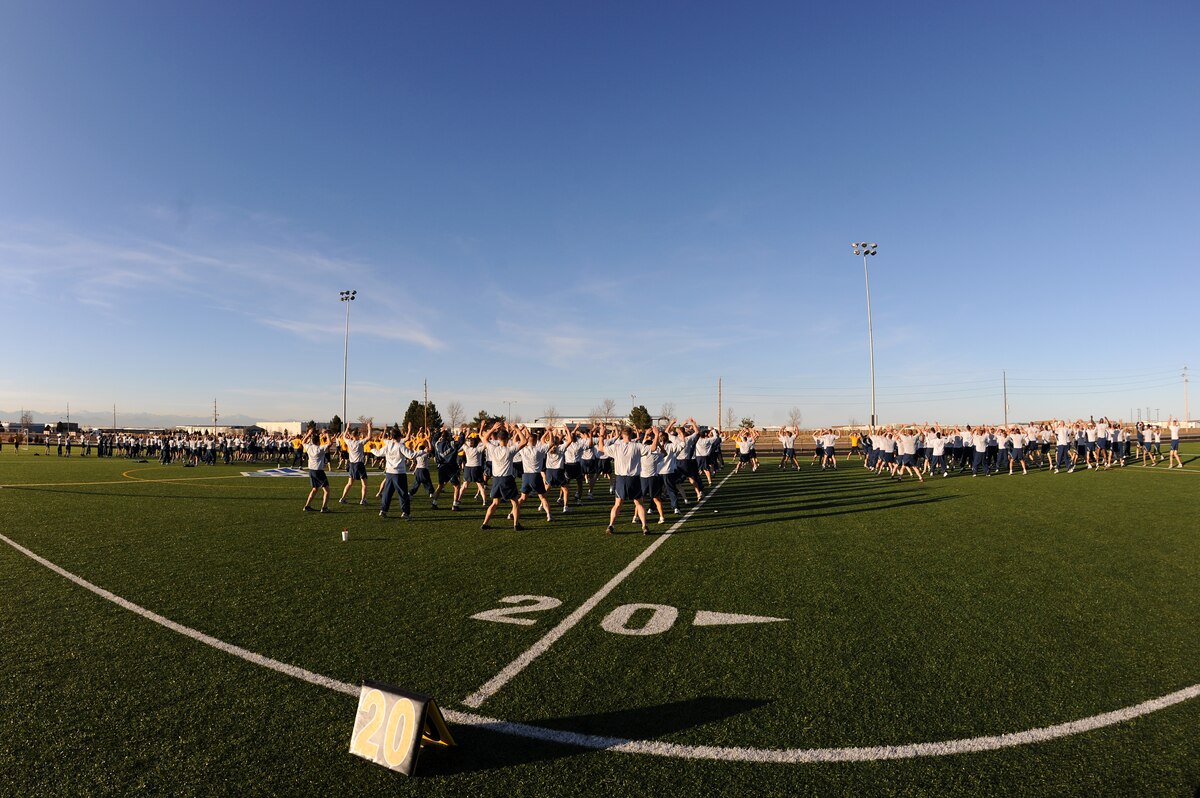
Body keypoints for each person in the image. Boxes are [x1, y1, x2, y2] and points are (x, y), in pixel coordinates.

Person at [598, 424, 650, 535]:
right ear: (632, 434)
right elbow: (653, 448)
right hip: (634, 479)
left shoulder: (617, 446)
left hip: (621, 479)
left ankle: (611, 525)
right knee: (639, 503)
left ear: (622, 435)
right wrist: (656, 435)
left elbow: (601, 448)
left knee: (617, 504)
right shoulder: (637, 446)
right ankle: (644, 526)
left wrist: (601, 436)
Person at [480, 421, 524, 530]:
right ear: (508, 438)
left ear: (498, 439)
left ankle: (485, 523)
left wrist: (493, 429)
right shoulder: (510, 450)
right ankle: (516, 525)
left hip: (496, 479)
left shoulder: (493, 449)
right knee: (515, 502)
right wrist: (517, 429)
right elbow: (524, 441)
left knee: (495, 503)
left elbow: (484, 439)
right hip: (507, 479)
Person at [371, 426, 419, 519]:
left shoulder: (388, 444)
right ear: (399, 436)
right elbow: (411, 455)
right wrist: (422, 451)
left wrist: (372, 449)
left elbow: (378, 453)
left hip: (389, 473)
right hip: (399, 473)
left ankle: (383, 510)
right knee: (403, 494)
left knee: (387, 493)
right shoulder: (400, 445)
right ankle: (405, 512)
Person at [301, 426, 338, 513]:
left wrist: (308, 434)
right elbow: (330, 443)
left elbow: (303, 441)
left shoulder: (309, 447)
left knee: (315, 489)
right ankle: (324, 508)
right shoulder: (320, 449)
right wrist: (327, 434)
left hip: (311, 471)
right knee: (327, 490)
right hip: (318, 471)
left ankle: (307, 506)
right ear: (318, 441)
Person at [338, 418, 372, 505]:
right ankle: (363, 499)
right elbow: (369, 437)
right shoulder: (360, 443)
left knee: (349, 483)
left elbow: (344, 436)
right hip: (359, 464)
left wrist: (347, 427)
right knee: (364, 483)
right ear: (356, 435)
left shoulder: (349, 442)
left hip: (352, 464)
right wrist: (369, 427)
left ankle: (342, 498)